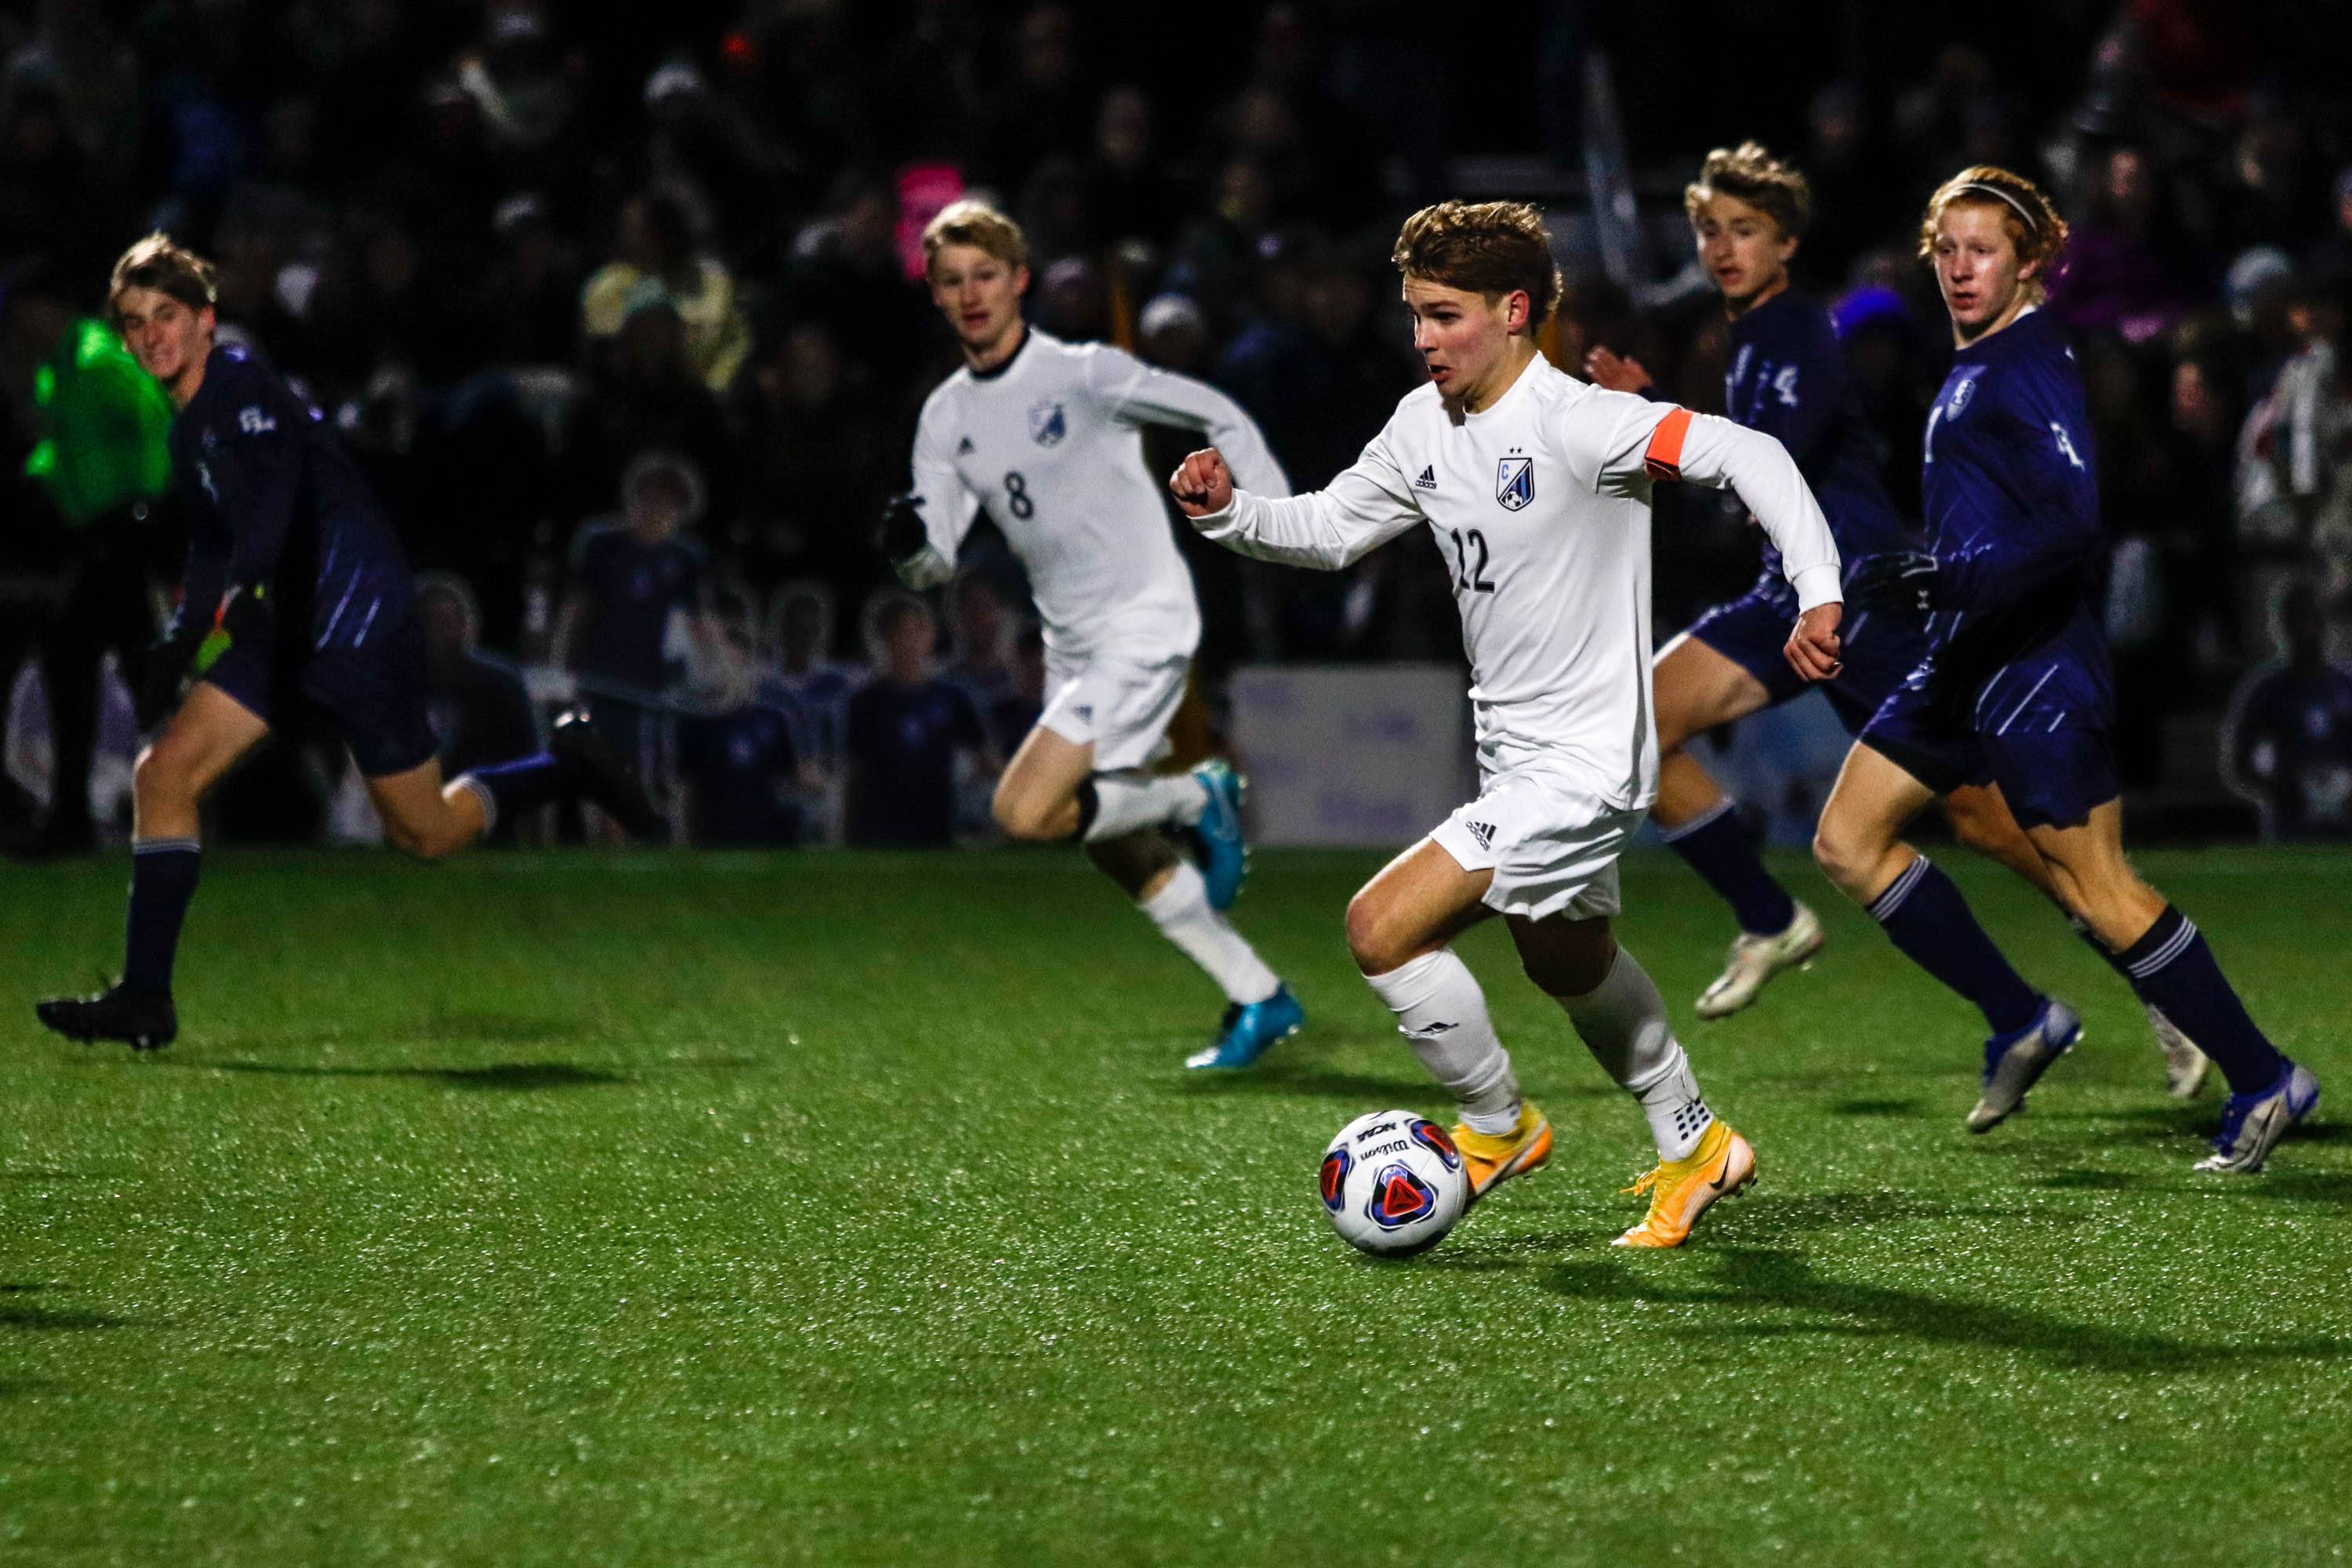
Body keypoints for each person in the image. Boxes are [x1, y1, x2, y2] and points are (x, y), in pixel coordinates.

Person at [1171, 200, 1847, 1247]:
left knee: (1381, 928)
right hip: (1512, 762)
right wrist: (1230, 513)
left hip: (1582, 768)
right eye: (1415, 316)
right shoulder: (1421, 424)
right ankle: (1700, 1145)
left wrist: (1817, 591)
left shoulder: (1583, 422)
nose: (1423, 338)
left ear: (1514, 310)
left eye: (1444, 316)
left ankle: (1495, 1126)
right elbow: (1332, 528)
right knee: (1564, 961)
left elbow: (1753, 456)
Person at [34, 234, 658, 1051]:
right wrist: (180, 639)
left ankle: (565, 766)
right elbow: (220, 539)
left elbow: (271, 510)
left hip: (351, 618)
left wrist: (224, 610)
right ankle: (147, 996)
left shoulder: (241, 389)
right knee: (165, 774)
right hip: (283, 624)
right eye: (134, 321)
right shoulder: (188, 429)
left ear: (204, 321)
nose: (151, 334)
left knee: (425, 832)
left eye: (167, 315)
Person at [1817, 169, 2319, 1172]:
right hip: (1964, 653)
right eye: (1947, 248)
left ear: (2032, 259)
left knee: (2098, 890)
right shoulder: (1975, 362)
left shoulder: (2028, 361)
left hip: (2036, 661)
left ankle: (2266, 1077)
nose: (1961, 268)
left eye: (1984, 249)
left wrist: (1946, 571)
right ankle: (2018, 1017)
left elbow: (2072, 521)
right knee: (1847, 838)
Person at [880, 199, 1301, 1070]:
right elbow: (938, 557)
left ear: (1020, 281)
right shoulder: (944, 417)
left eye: (985, 276)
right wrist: (911, 551)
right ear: (935, 293)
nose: (970, 295)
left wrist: (1269, 514)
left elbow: (1214, 411)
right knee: (1106, 837)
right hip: (1073, 644)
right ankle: (1260, 994)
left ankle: (1198, 796)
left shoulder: (1085, 374)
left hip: (1144, 619)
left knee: (1022, 809)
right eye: (952, 281)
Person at [5, 266, 176, 856]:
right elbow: (66, 448)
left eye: (26, 306)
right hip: (101, 532)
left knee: (80, 658)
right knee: (129, 663)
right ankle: (108, 811)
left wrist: (143, 515)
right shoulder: (62, 366)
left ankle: (77, 817)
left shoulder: (100, 362)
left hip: (122, 529)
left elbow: (155, 430)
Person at [844, 593, 993, 848]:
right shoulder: (864, 702)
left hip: (938, 824)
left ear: (930, 636)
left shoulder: (952, 698)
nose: (909, 642)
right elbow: (853, 770)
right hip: (880, 827)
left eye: (917, 632)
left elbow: (985, 757)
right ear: (882, 640)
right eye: (900, 633)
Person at [2223, 579, 2352, 840]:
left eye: (2311, 618)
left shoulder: (2346, 686)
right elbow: (2239, 765)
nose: (2306, 630)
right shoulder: (2266, 691)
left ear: (2323, 624)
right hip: (2292, 828)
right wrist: (2279, 789)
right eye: (2296, 621)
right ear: (2282, 628)